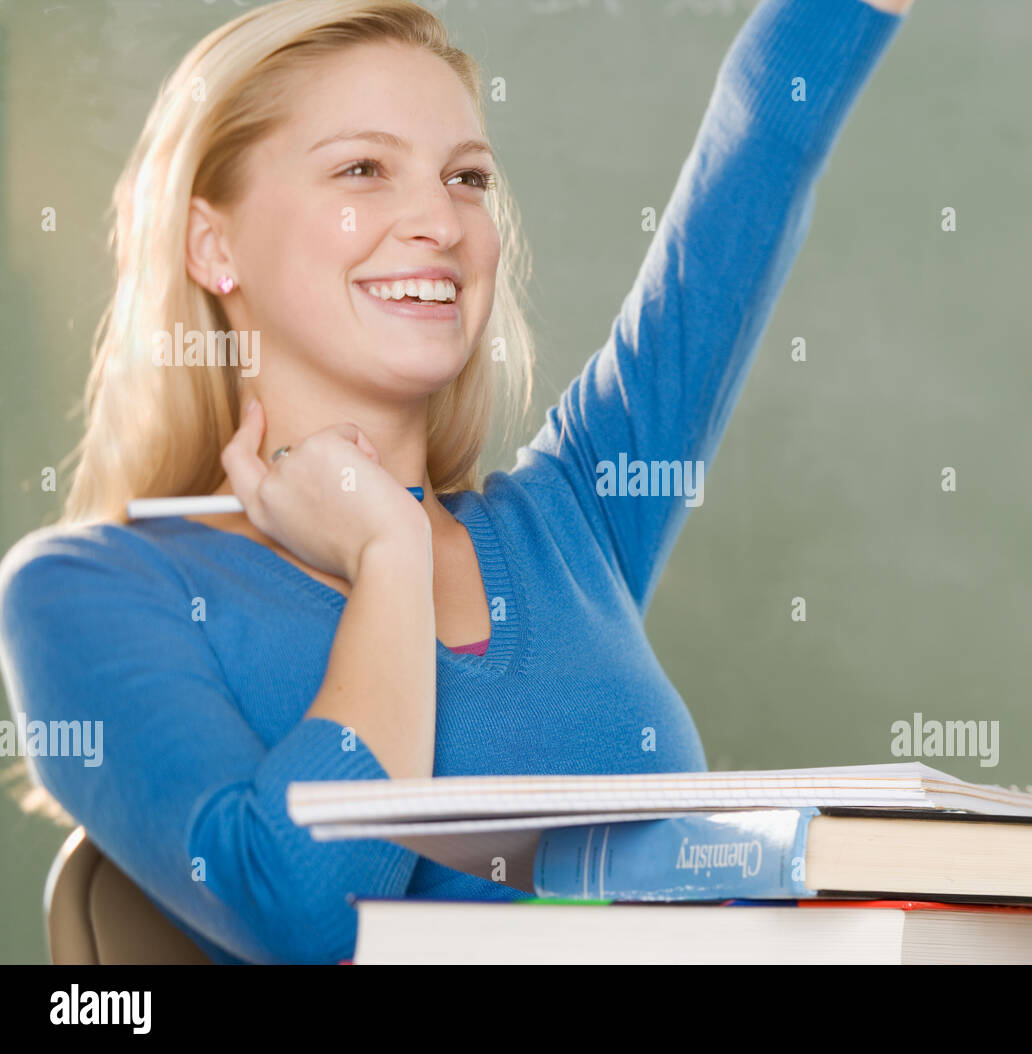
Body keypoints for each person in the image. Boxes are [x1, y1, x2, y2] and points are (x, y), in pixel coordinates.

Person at [0, 0, 910, 964]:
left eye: (467, 178)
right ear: (211, 244)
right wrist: (386, 555)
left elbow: (763, 149)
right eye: (362, 169)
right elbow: (306, 915)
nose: (439, 220)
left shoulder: (576, 517)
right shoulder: (87, 590)